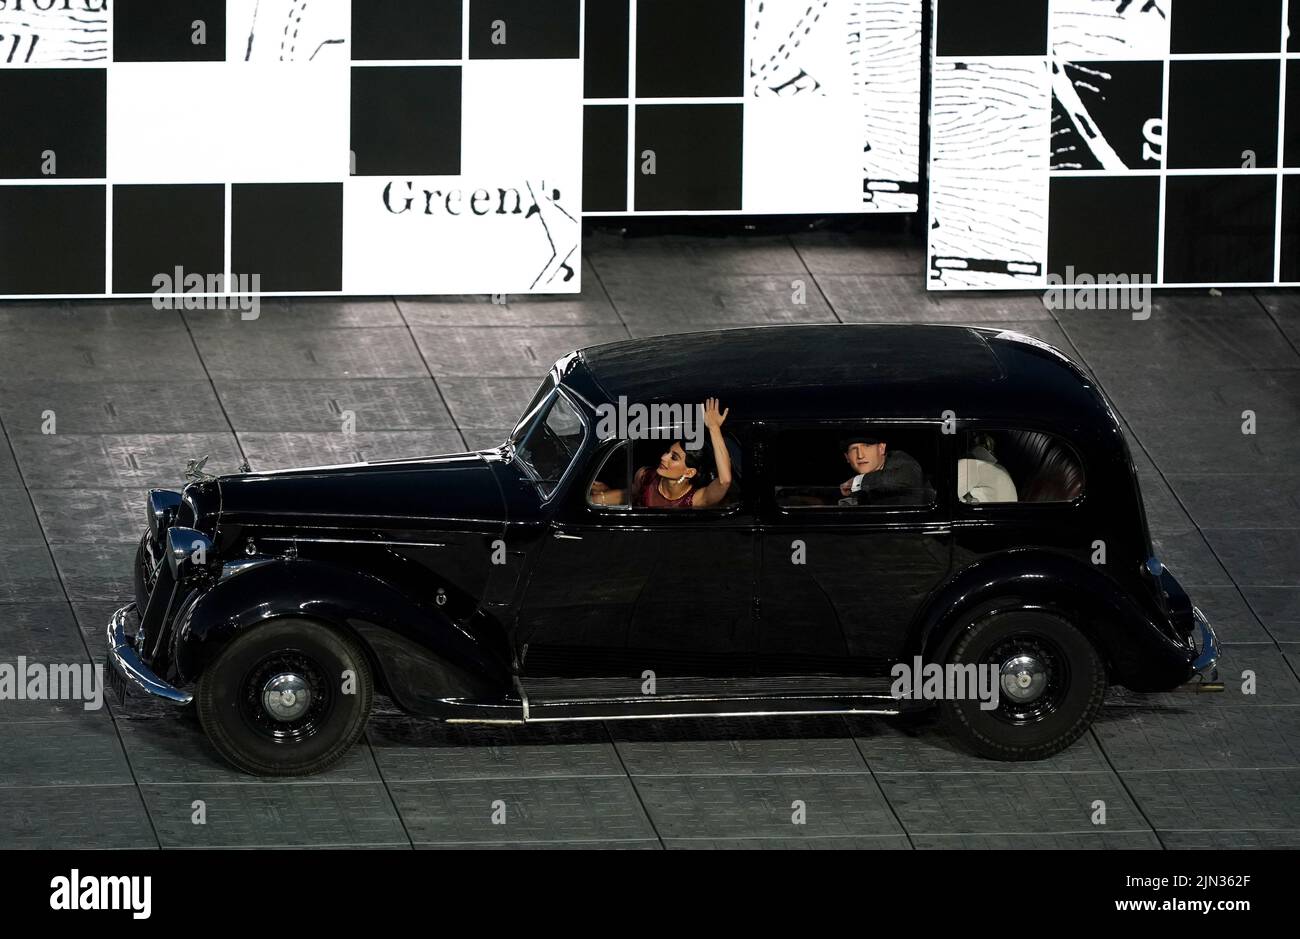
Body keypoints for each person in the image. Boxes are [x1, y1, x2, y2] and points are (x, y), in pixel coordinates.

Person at [590, 397, 733, 509]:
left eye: (674, 457)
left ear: (689, 472)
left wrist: (714, 428)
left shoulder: (697, 500)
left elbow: (724, 481)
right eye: (667, 452)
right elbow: (633, 494)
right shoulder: (646, 475)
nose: (664, 457)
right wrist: (604, 495)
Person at [837, 433, 924, 505]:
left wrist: (858, 481)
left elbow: (904, 478)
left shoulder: (899, 460)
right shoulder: (856, 481)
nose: (860, 455)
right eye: (854, 449)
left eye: (867, 446)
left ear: (881, 449)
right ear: (847, 457)